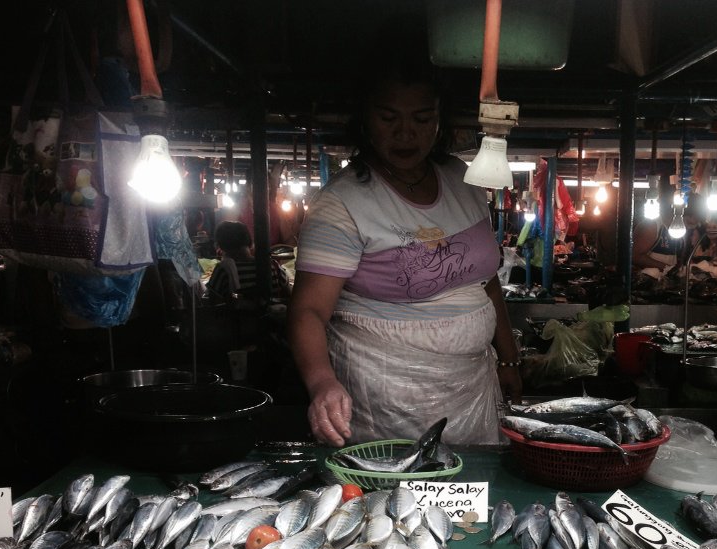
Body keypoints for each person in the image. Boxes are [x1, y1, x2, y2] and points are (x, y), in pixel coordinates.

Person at [286, 47, 522, 448]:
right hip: (387, 399)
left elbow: (487, 283)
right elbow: (307, 310)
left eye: (422, 118)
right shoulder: (342, 204)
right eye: (388, 117)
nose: (405, 133)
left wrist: (509, 357)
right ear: (365, 118)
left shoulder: (462, 180)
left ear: (439, 119)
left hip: (472, 388)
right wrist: (322, 383)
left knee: (471, 498)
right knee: (398, 501)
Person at [206, 220, 290, 307]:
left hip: (238, 320)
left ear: (221, 245)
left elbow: (212, 305)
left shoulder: (223, 270)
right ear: (250, 241)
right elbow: (290, 295)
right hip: (273, 319)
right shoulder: (273, 266)